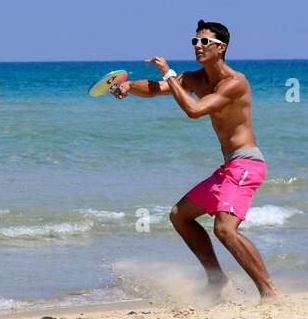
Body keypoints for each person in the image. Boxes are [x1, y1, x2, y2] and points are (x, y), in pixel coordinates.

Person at [112, 19, 278, 298]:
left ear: (221, 47)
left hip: (247, 165)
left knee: (224, 229)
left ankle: (269, 292)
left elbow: (195, 109)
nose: (197, 46)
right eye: (195, 41)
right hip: (229, 167)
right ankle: (217, 280)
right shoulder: (195, 79)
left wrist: (168, 74)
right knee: (180, 216)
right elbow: (158, 88)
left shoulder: (235, 83)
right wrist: (129, 87)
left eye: (204, 42)